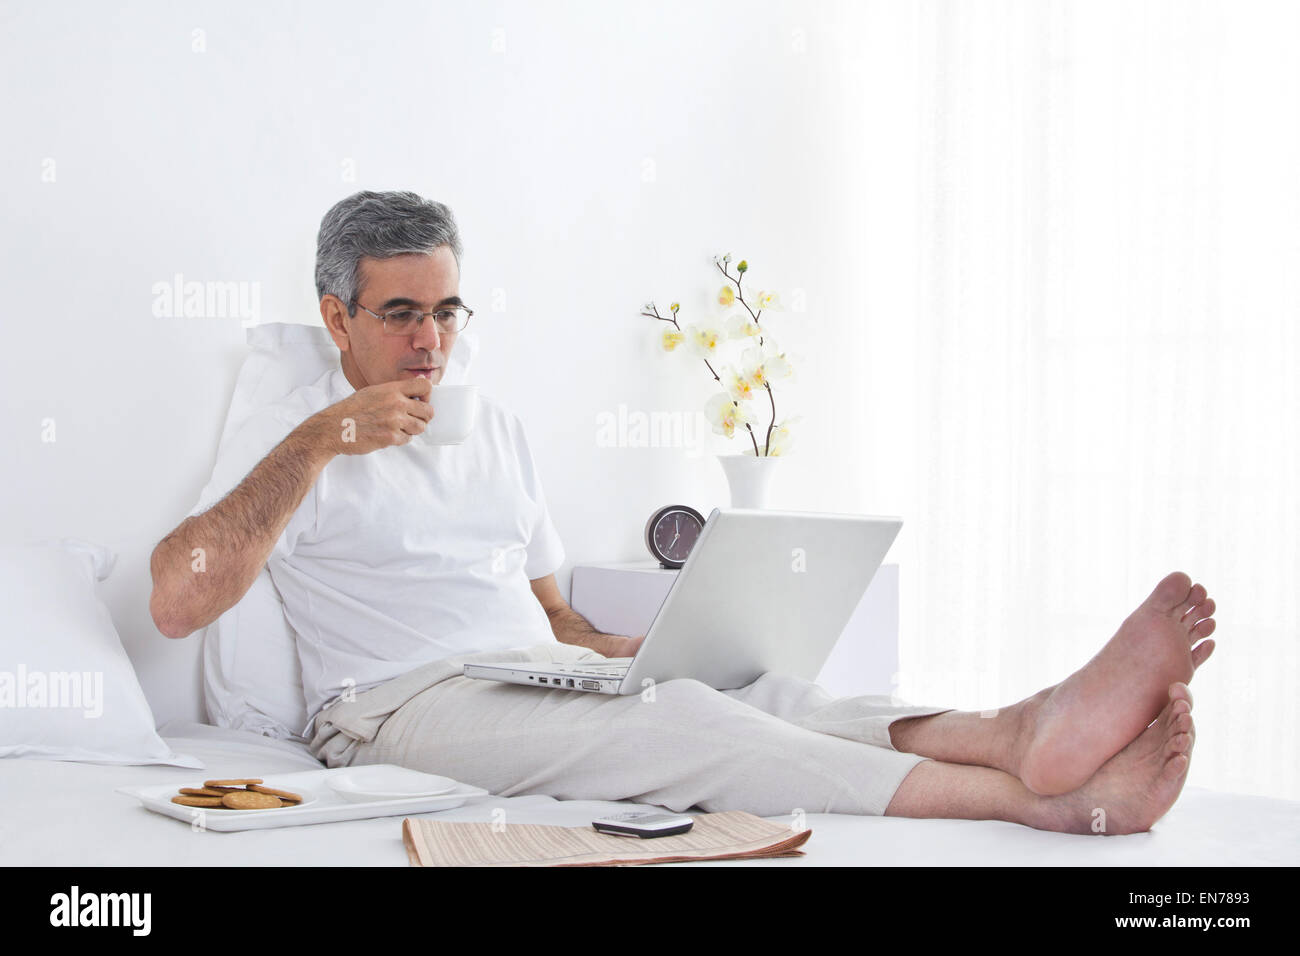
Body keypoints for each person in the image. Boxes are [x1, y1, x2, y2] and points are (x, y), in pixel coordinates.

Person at [149, 190, 1218, 836]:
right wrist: (321, 439)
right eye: (400, 314)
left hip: (523, 669)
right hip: (387, 707)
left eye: (447, 311)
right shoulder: (289, 432)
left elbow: (551, 616)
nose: (432, 342)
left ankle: (1015, 729)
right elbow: (176, 600)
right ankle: (1033, 802)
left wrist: (631, 651)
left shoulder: (494, 427)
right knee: (681, 729)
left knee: (755, 689)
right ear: (336, 317)